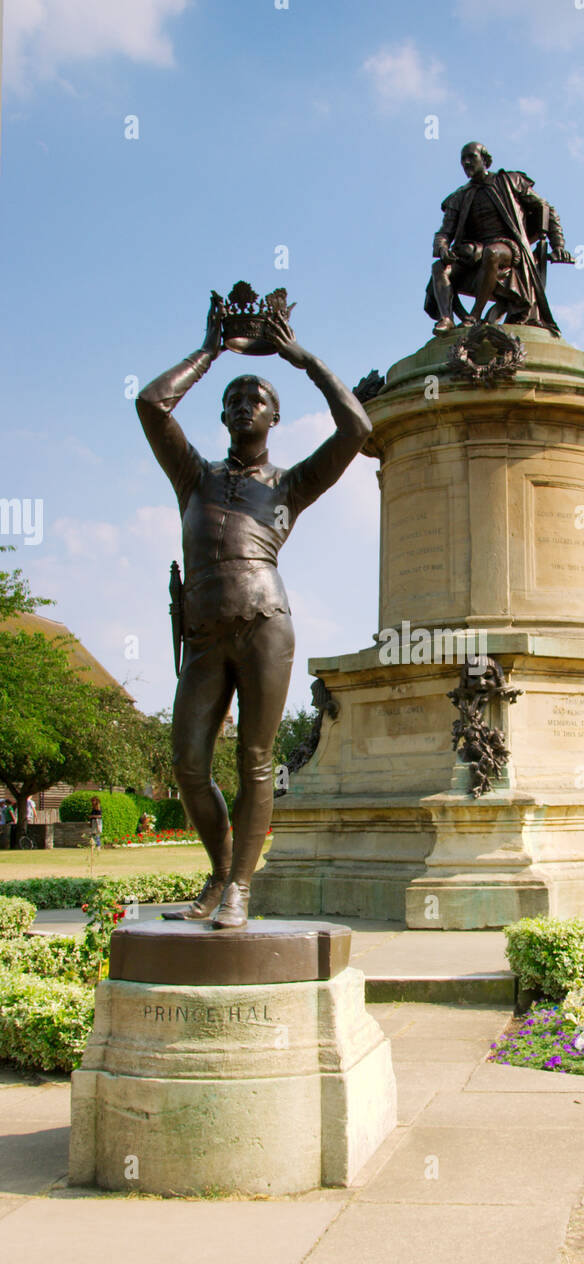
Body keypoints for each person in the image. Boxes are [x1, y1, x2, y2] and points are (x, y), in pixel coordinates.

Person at [136, 297, 372, 928]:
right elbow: (151, 404)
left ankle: (239, 887)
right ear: (222, 413)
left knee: (256, 759)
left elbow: (357, 430)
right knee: (189, 761)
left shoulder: (288, 486)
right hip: (205, 634)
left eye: (258, 398)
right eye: (235, 399)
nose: (245, 405)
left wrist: (302, 360)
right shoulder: (193, 476)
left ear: (274, 416)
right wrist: (212, 350)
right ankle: (219, 872)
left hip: (266, 623)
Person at [425, 142, 574, 335]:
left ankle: (475, 316)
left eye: (472, 157)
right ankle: (446, 319)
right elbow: (444, 233)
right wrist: (442, 248)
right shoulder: (459, 197)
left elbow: (546, 209)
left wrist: (558, 245)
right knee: (439, 268)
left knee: (492, 252)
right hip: (475, 250)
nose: (467, 163)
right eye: (463, 160)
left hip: (508, 246)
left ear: (485, 160)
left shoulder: (510, 181)